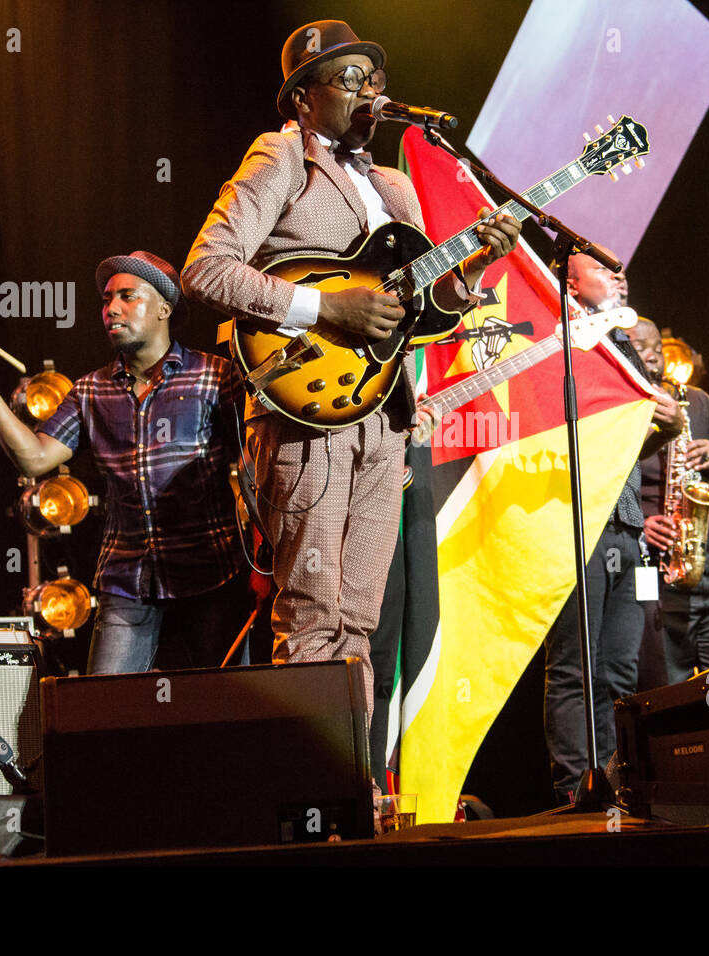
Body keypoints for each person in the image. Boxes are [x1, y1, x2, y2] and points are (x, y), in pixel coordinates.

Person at [180, 19, 519, 721]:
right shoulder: (281, 157)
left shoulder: (394, 188)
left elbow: (424, 308)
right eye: (350, 80)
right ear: (304, 98)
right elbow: (206, 269)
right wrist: (325, 309)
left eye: (376, 79)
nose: (370, 92)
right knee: (312, 619)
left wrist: (477, 265)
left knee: (358, 623)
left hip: (382, 416)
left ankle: (355, 800)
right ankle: (310, 806)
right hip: (307, 409)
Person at [0, 251, 250, 673]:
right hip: (127, 582)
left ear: (164, 308)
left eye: (127, 297)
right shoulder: (90, 390)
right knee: (106, 715)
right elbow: (34, 457)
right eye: (106, 300)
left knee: (229, 714)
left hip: (212, 578)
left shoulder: (215, 375)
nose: (111, 308)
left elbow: (257, 463)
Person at [541, 253, 682, 802]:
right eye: (603, 269)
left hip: (626, 525)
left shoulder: (620, 345)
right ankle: (576, 792)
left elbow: (620, 448)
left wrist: (661, 431)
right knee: (575, 668)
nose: (619, 276)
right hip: (578, 520)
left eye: (620, 269)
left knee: (619, 672)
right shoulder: (559, 342)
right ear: (569, 282)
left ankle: (616, 786)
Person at [631, 318, 709, 685]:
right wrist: (641, 525)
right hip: (657, 582)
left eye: (657, 348)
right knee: (669, 706)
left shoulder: (696, 402)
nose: (653, 356)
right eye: (640, 348)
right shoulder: (612, 414)